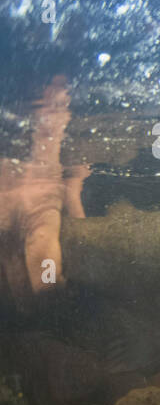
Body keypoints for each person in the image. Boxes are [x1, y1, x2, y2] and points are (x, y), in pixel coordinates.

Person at [0, 77, 88, 299]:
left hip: (35, 195)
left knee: (38, 270)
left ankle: (47, 294)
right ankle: (47, 295)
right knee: (32, 266)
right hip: (29, 194)